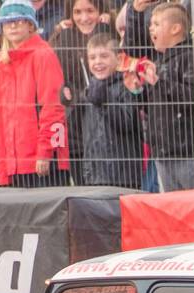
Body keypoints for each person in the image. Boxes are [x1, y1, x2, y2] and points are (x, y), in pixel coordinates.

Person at [0, 0, 71, 185]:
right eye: (7, 21)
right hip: (15, 165)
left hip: (42, 164)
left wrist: (45, 151)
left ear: (30, 25)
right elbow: (1, 120)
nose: (12, 25)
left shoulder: (43, 55)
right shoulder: (4, 64)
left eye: (19, 20)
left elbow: (54, 107)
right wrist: (3, 168)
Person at [132, 2, 194, 190]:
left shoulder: (189, 57)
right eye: (151, 24)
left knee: (192, 203)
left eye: (156, 24)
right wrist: (138, 90)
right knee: (172, 206)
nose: (150, 28)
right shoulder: (159, 61)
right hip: (162, 150)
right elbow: (150, 106)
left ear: (176, 29)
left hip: (185, 151)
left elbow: (192, 98)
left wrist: (158, 83)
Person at [50, 0, 118, 183]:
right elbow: (64, 81)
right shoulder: (63, 37)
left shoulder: (112, 32)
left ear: (101, 11)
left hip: (108, 138)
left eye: (90, 11)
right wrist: (62, 35)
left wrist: (101, 31)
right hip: (76, 135)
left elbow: (99, 75)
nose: (84, 18)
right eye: (77, 12)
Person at [76, 34, 147, 186]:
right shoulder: (88, 91)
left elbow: (128, 122)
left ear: (119, 59)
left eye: (104, 56)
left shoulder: (125, 85)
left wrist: (105, 102)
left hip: (123, 174)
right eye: (92, 57)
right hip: (94, 173)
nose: (98, 62)